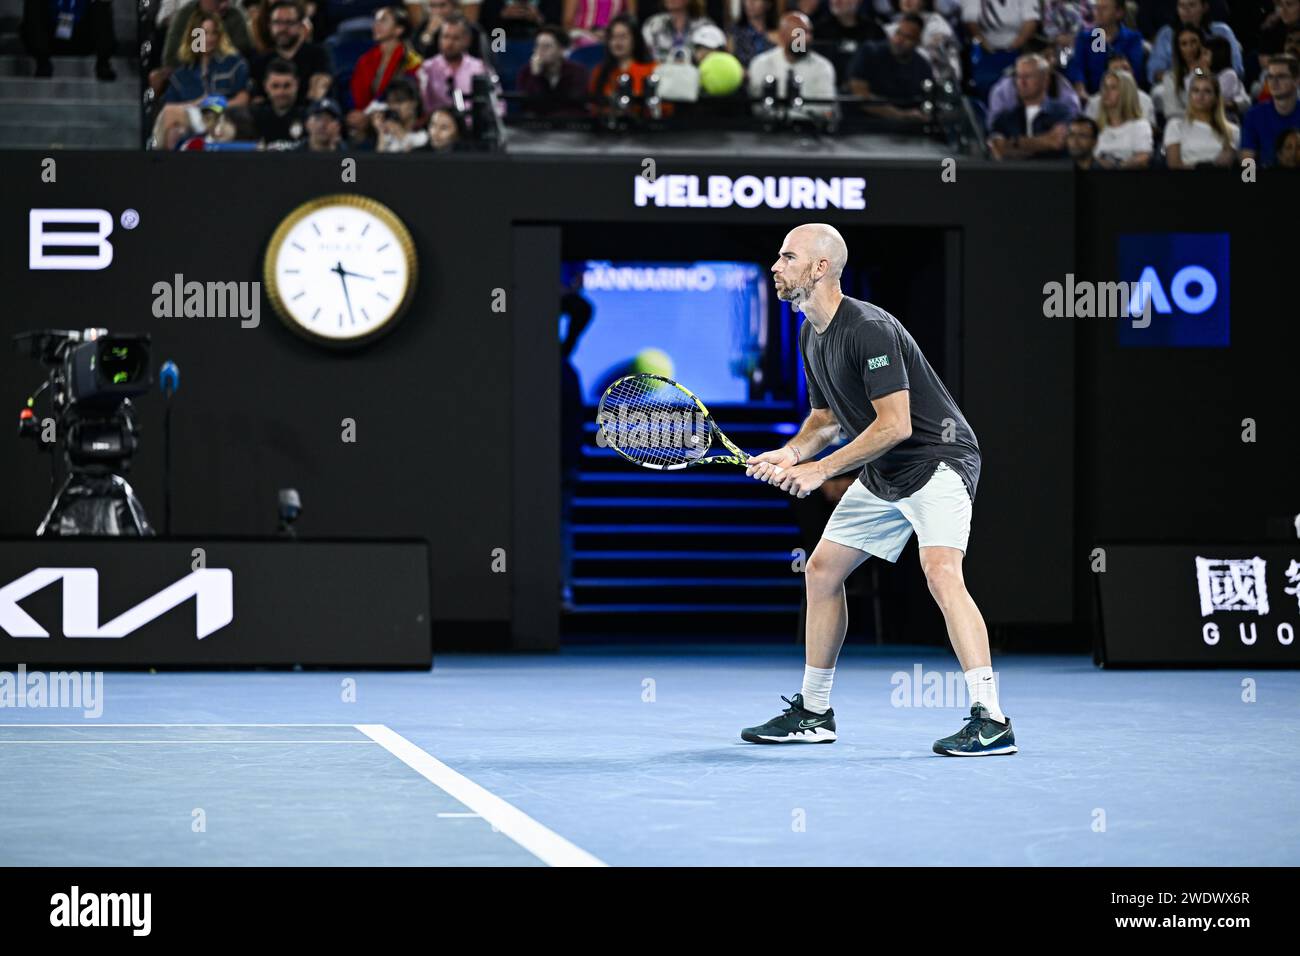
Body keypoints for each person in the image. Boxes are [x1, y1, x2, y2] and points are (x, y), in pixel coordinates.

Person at [742, 224, 1009, 757]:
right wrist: (794, 453)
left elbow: (896, 425)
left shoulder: (869, 328)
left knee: (940, 571)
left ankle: (992, 719)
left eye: (787, 257)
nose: (776, 266)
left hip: (938, 460)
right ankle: (814, 713)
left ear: (820, 268)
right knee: (821, 571)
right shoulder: (809, 333)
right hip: (885, 472)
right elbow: (824, 419)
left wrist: (821, 472)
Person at [747, 11, 838, 122]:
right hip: (767, 129)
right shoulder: (761, 64)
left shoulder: (822, 67)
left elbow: (825, 107)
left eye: (809, 33)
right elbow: (756, 105)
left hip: (808, 129)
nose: (807, 38)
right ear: (782, 36)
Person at [987, 53, 1074, 160]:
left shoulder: (1064, 114)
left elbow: (1058, 143)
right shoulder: (1004, 118)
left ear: (1045, 80)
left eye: (1028, 76)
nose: (1021, 82)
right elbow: (998, 148)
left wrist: (1012, 144)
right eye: (1018, 77)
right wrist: (1045, 141)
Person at [848, 12, 931, 123]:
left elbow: (927, 104)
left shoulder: (923, 67)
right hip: (864, 126)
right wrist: (900, 115)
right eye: (898, 33)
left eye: (907, 37)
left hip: (907, 131)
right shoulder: (869, 52)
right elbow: (860, 95)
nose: (899, 41)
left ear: (917, 42)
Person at [249, 0, 332, 104]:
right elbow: (257, 102)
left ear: (301, 26)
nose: (283, 28)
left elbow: (317, 95)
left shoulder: (319, 54)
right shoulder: (260, 62)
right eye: (277, 22)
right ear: (269, 26)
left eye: (289, 22)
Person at [163, 9, 250, 103]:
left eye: (214, 33)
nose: (209, 39)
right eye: (204, 33)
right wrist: (197, 106)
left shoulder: (234, 64)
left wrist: (216, 106)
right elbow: (169, 108)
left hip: (226, 115)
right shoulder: (180, 76)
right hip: (190, 116)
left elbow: (243, 98)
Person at [416, 13, 498, 114]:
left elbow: (497, 103)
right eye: (445, 37)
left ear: (467, 40)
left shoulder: (480, 68)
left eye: (455, 38)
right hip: (436, 125)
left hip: (474, 125)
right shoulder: (427, 68)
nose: (449, 43)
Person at [1148, 0, 1242, 86]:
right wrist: (1181, 77)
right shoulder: (1166, 34)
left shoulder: (1222, 31)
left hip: (1220, 82)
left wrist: (1203, 74)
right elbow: (1155, 71)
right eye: (1181, 6)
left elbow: (1236, 68)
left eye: (1192, 5)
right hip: (1178, 84)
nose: (1186, 10)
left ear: (1204, 7)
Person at [960, 0, 1039, 99]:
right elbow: (970, 21)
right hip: (984, 51)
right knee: (984, 83)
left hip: (1016, 50)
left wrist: (1014, 46)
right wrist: (985, 45)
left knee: (1020, 85)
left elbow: (1031, 21)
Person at [1067, 0, 1144, 100]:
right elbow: (1077, 67)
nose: (1098, 12)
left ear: (1118, 13)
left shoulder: (1132, 39)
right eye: (1096, 8)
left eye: (1104, 8)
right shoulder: (1085, 39)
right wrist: (1080, 88)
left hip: (1124, 96)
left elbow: (1134, 70)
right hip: (1093, 96)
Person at [20, 0, 117, 79]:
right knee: (33, 4)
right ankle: (42, 64)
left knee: (101, 4)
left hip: (81, 38)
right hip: (48, 39)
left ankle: (103, 65)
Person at [1164, 69, 1239, 167]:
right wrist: (1203, 167)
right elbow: (1174, 166)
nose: (1200, 96)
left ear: (1216, 98)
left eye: (1207, 91)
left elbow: (1233, 164)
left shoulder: (1232, 131)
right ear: (1190, 95)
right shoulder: (1175, 126)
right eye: (1195, 90)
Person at [516, 23, 590, 114]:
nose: (540, 51)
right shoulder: (527, 72)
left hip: (568, 123)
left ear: (562, 50)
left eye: (547, 46)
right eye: (537, 46)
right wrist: (536, 76)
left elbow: (573, 104)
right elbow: (529, 105)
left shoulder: (577, 71)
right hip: (537, 124)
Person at [1242, 53, 1300, 166]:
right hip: (1265, 181)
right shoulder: (1254, 115)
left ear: (1297, 80)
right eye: (1270, 76)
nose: (1274, 82)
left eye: (1281, 76)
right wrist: (1250, 182)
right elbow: (1247, 159)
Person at [886, 0, 960, 81]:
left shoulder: (937, 25)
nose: (907, 0)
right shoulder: (894, 25)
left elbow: (932, 60)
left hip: (939, 83)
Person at [1093, 67, 1152, 167]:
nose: (1106, 92)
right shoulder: (1095, 126)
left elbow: (1143, 158)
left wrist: (1117, 167)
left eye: (1113, 88)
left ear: (1126, 93)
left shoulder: (1140, 125)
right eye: (1105, 87)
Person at [589, 13, 656, 100]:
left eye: (623, 37)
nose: (617, 42)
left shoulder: (651, 70)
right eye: (613, 37)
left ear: (635, 39)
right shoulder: (599, 72)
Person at [1153, 24, 1204, 120]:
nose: (1190, 48)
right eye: (1184, 44)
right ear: (1178, 49)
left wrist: (1198, 68)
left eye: (1194, 42)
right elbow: (1171, 112)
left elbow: (1203, 78)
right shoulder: (1171, 77)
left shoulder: (1204, 71)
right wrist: (1199, 116)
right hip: (1184, 124)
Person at [251, 56, 305, 144]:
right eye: (275, 86)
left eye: (287, 86)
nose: (281, 92)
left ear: (297, 84)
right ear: (265, 86)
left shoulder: (309, 116)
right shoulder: (254, 117)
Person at [642, 0, 716, 63]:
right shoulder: (652, 24)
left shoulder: (705, 25)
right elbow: (646, 56)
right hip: (660, 74)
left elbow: (710, 58)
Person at [728, 0, 778, 66]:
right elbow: (729, 61)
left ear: (768, 4)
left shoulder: (778, 33)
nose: (750, 3)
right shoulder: (734, 32)